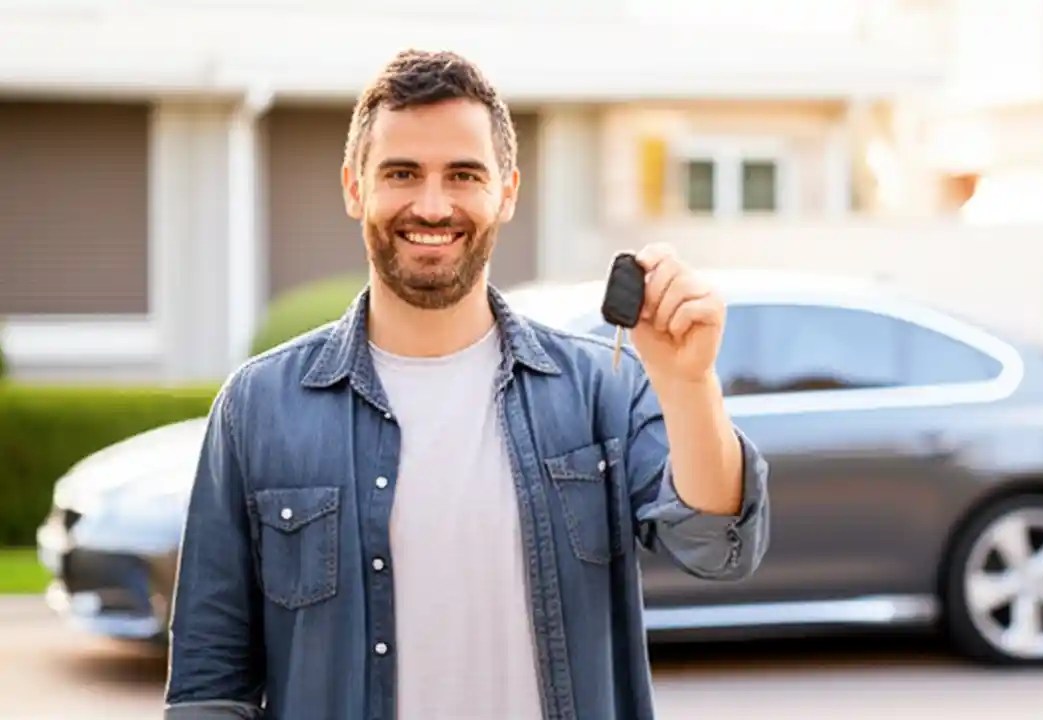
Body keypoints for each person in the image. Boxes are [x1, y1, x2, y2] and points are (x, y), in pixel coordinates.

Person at [163, 48, 770, 720]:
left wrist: (687, 383)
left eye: (463, 174)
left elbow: (719, 548)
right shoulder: (257, 410)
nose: (431, 204)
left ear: (506, 191)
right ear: (354, 187)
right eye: (401, 172)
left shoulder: (602, 391)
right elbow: (208, 688)